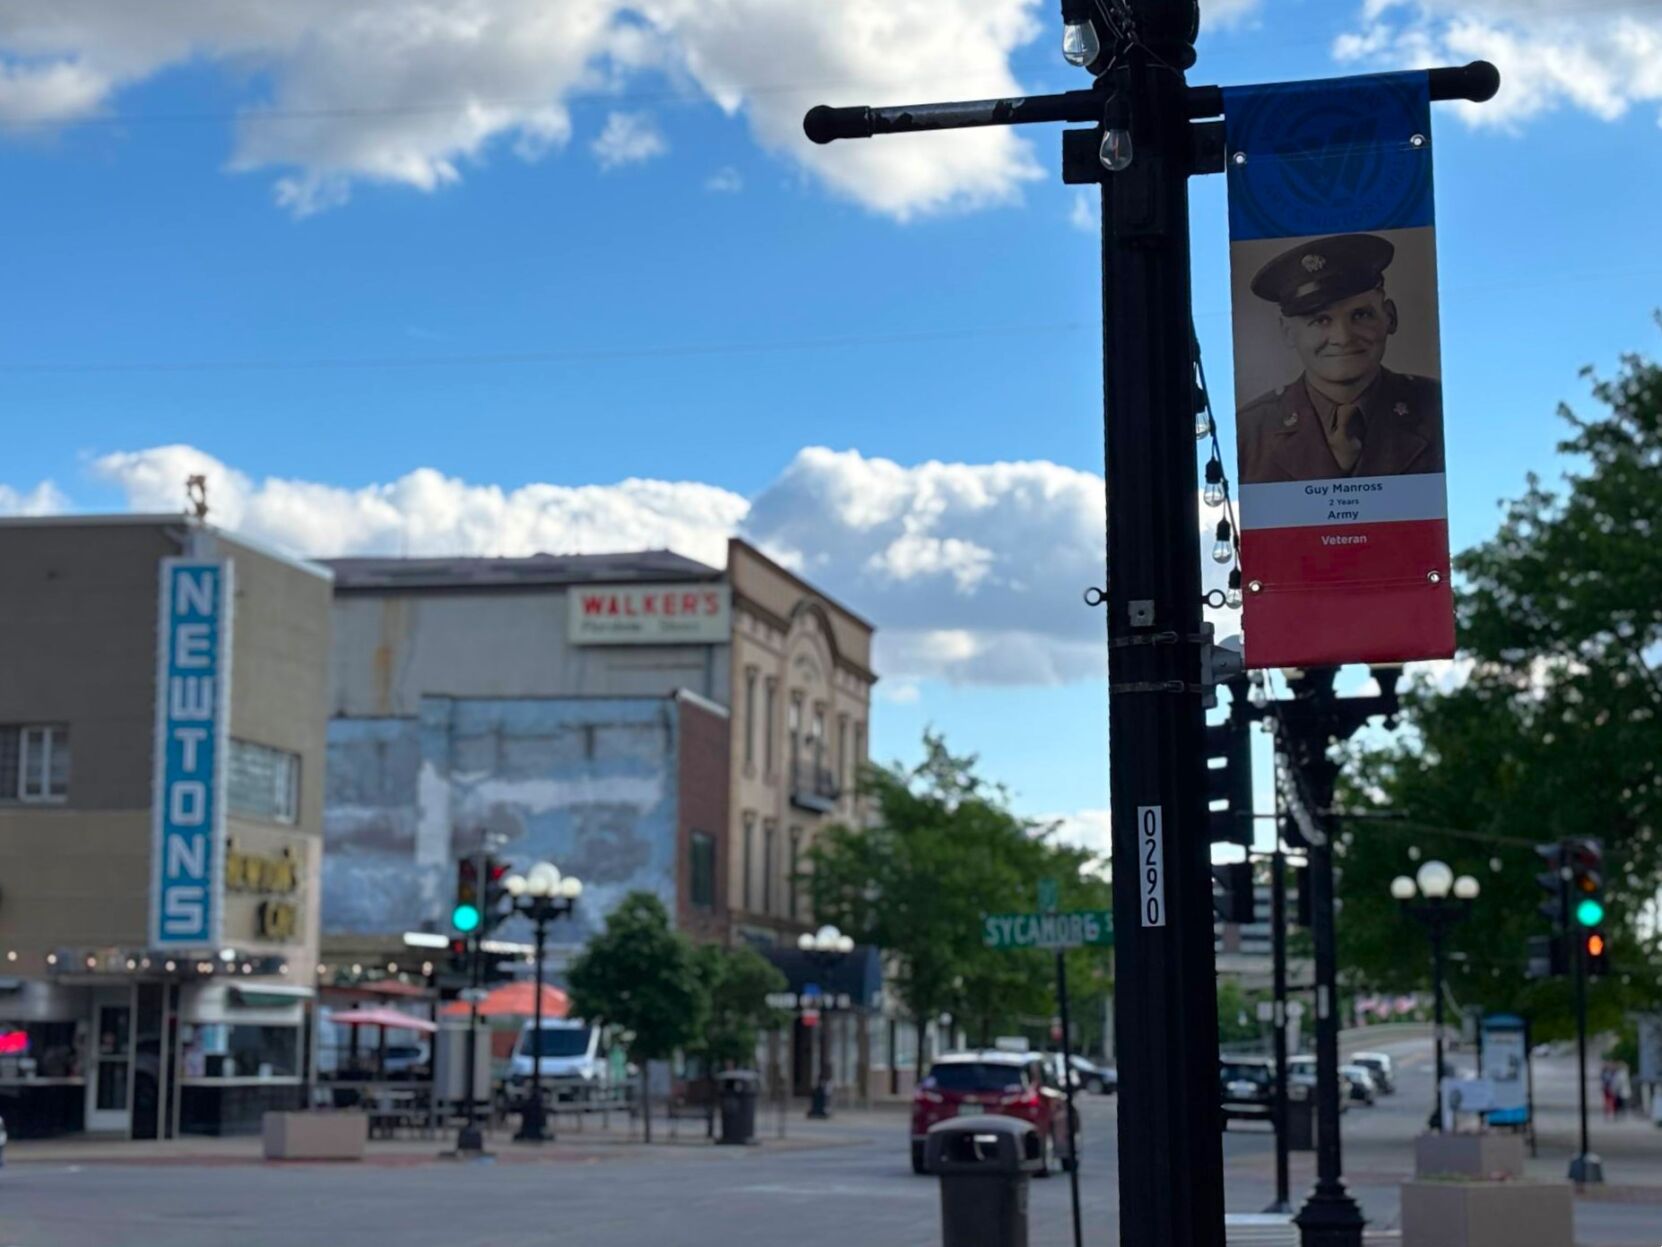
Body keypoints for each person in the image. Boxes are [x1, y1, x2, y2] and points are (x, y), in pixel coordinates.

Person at [1237, 232, 1444, 484]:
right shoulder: (1249, 432)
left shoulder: (1437, 410)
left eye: (1361, 315)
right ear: (1288, 333)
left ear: (1389, 317)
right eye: (1321, 320)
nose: (1343, 337)